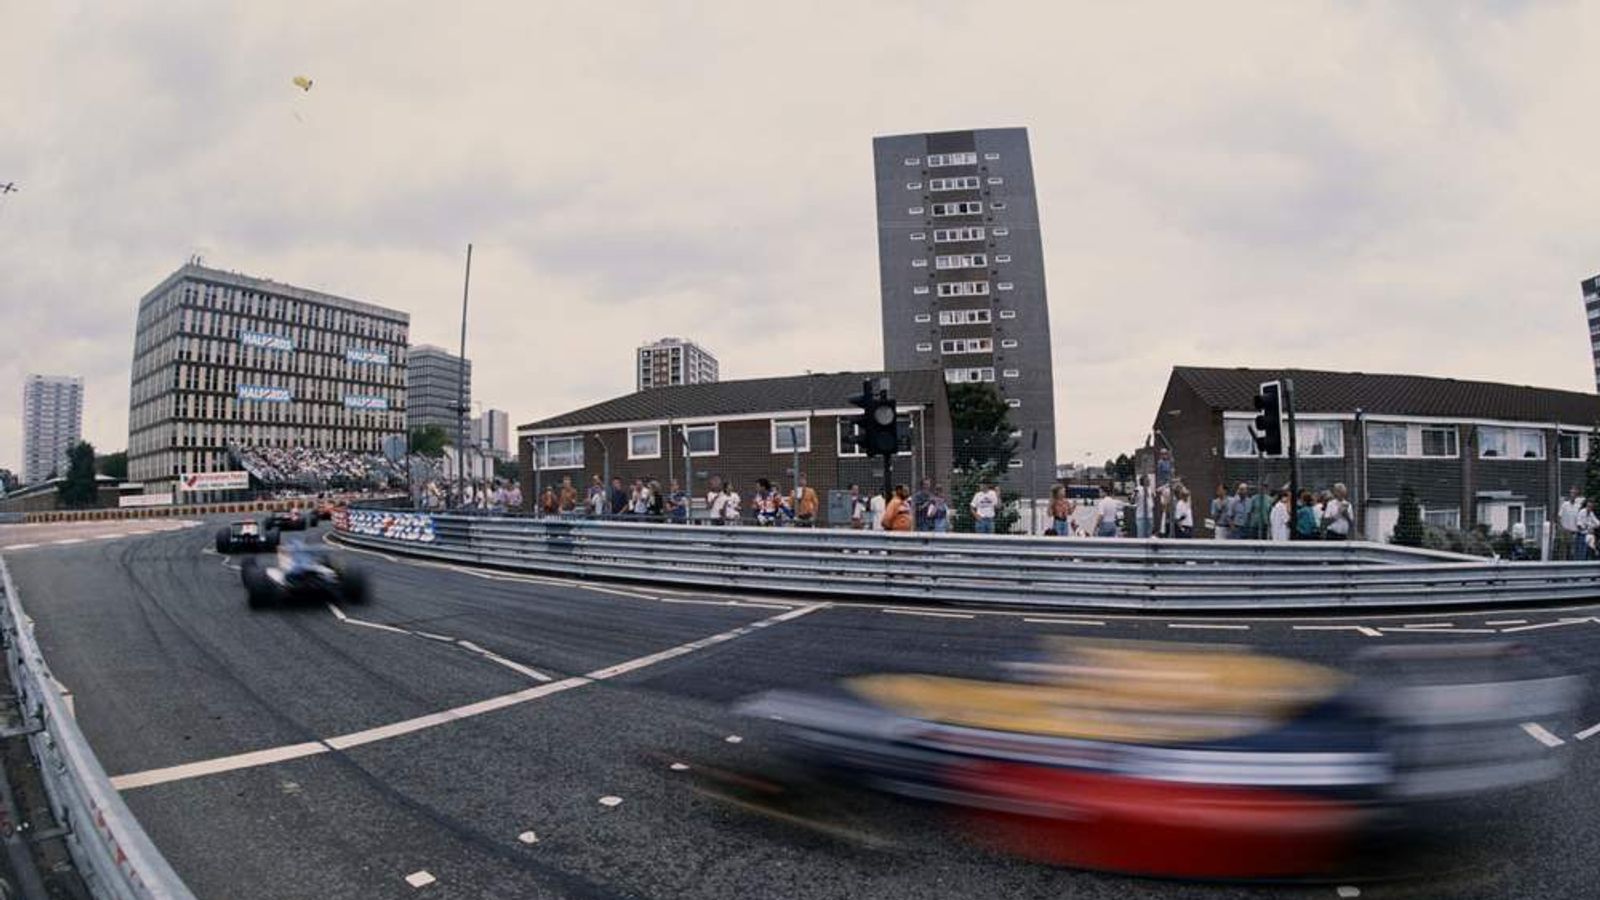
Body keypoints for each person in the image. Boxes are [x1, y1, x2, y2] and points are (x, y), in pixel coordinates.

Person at [1560, 486, 1583, 560]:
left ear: (1577, 495)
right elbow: (1559, 516)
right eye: (1571, 493)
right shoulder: (1564, 505)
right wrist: (1562, 528)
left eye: (1574, 493)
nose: (1573, 495)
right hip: (1565, 531)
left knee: (1573, 552)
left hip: (1574, 532)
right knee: (1564, 552)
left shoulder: (1578, 506)